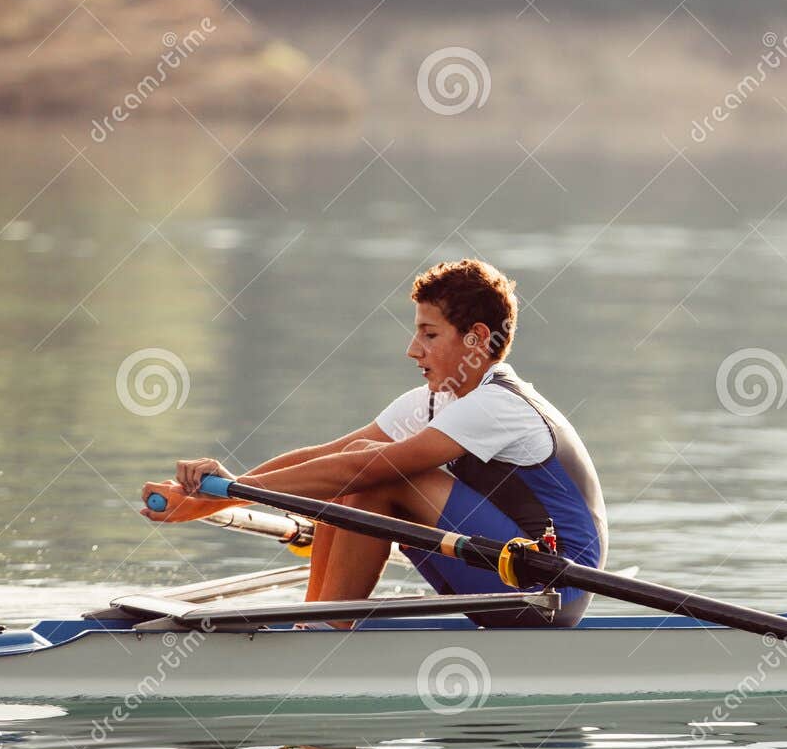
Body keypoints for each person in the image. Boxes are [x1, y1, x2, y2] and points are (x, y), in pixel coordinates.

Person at [140, 259, 608, 627]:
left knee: (378, 473)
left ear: (477, 338)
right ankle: (317, 622)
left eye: (429, 334)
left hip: (549, 589)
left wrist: (221, 494)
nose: (413, 348)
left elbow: (358, 471)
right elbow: (327, 459)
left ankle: (327, 630)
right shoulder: (433, 401)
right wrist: (214, 495)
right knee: (360, 466)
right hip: (498, 573)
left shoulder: (497, 405)